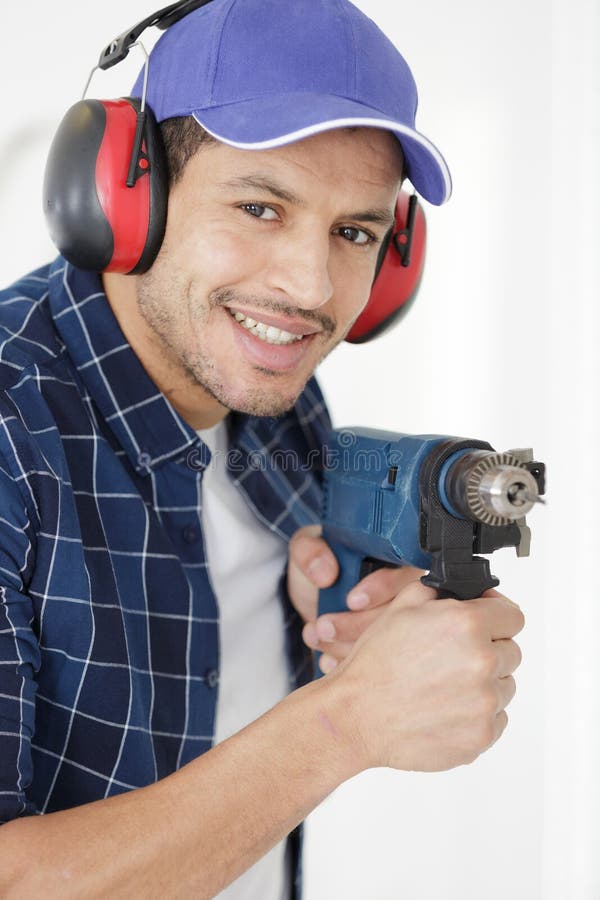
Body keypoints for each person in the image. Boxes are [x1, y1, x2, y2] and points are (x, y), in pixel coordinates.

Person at [0, 0, 524, 897]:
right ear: (126, 196)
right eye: (259, 206)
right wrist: (344, 723)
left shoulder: (274, 395)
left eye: (354, 231)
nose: (312, 287)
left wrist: (339, 612)